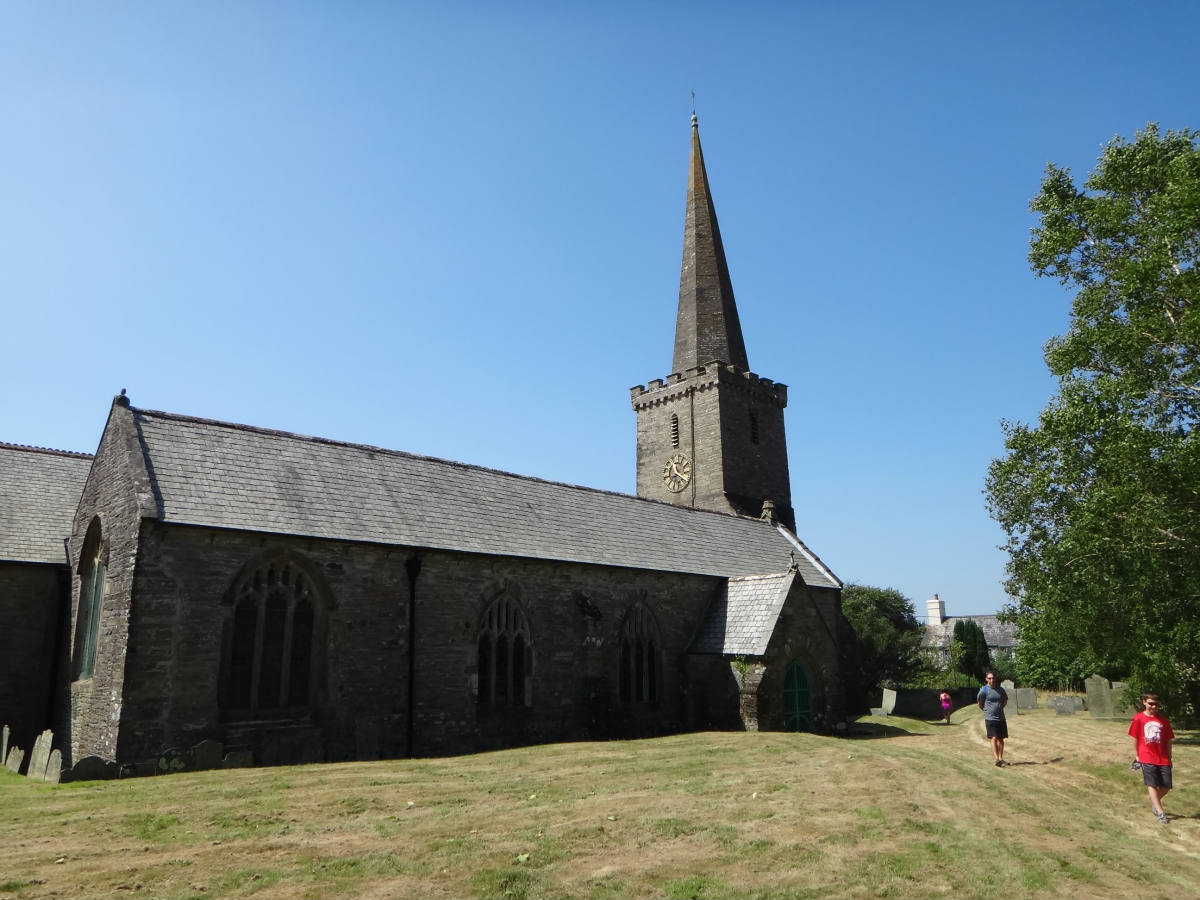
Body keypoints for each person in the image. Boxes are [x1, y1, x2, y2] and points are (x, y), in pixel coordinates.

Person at [1129, 692, 1174, 824]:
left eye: (1156, 704)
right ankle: (1161, 813)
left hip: (1162, 757)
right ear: (1144, 702)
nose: (1153, 707)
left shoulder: (1163, 720)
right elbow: (1136, 738)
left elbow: (1168, 740)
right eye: (1151, 704)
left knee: (1166, 786)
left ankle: (1154, 799)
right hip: (1146, 755)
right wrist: (1137, 755)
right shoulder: (1138, 718)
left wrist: (1169, 758)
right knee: (1152, 784)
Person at [977, 670, 1008, 766]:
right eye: (989, 678)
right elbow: (980, 704)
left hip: (1001, 718)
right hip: (990, 718)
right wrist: (987, 711)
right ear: (986, 679)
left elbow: (1005, 701)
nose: (991, 680)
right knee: (993, 738)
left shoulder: (1001, 690)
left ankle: (1001, 758)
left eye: (993, 678)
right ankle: (996, 759)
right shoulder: (984, 691)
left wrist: (999, 708)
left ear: (995, 678)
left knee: (1001, 739)